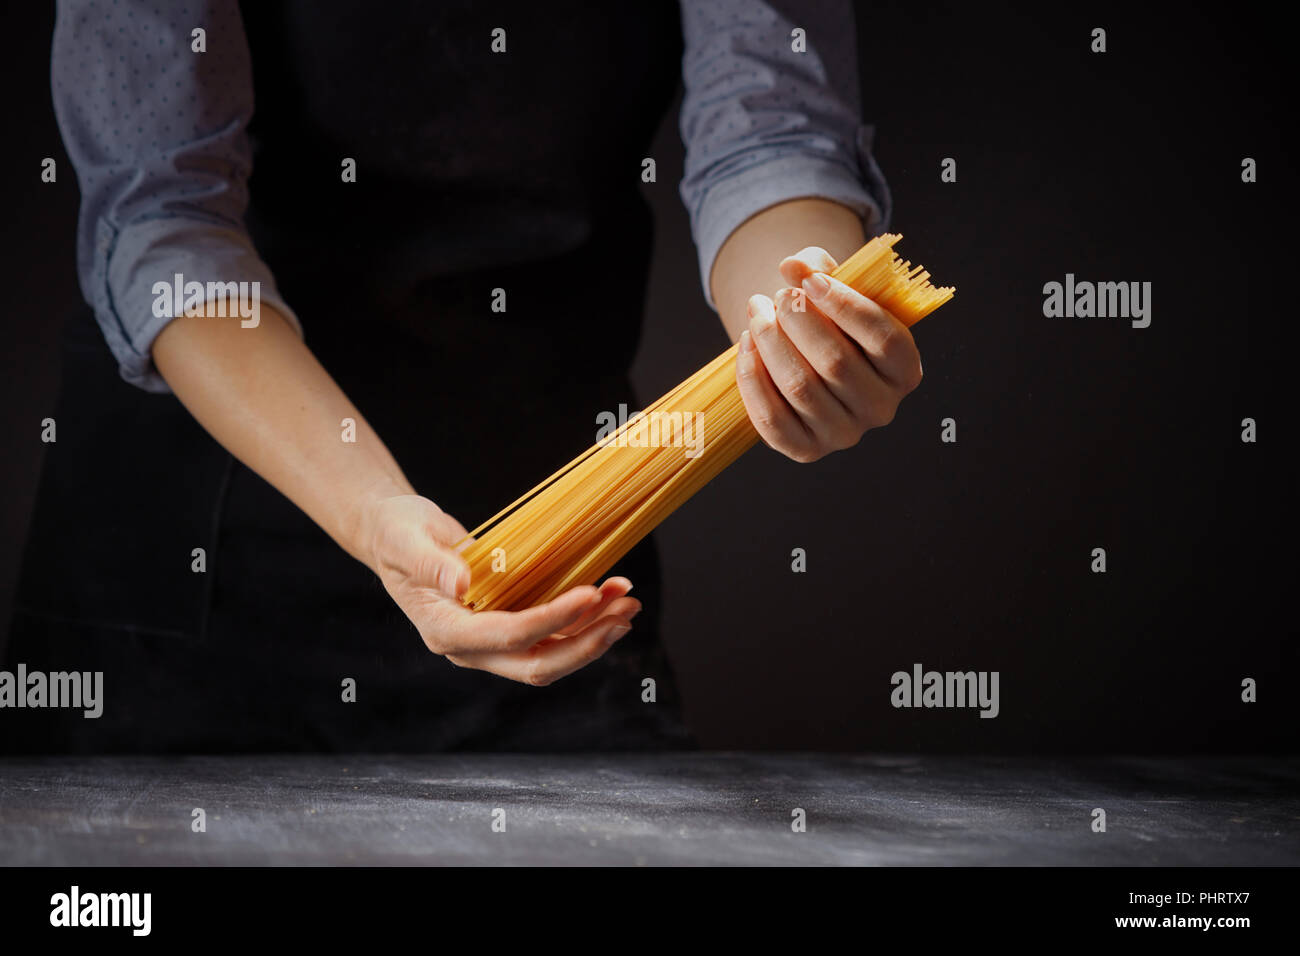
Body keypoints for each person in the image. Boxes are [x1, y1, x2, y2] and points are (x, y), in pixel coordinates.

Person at [3, 0, 920, 752]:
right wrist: (374, 515)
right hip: (186, 577)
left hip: (550, 564)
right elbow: (167, 217)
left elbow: (769, 136)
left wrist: (804, 325)